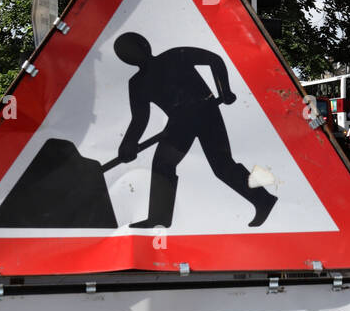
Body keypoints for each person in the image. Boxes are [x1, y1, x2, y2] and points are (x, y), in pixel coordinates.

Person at [113, 31, 277, 228]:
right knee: (162, 165)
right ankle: (159, 217)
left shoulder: (175, 55)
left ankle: (263, 199)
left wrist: (224, 90)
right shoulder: (137, 83)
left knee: (222, 165)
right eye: (126, 53)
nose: (132, 55)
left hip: (205, 112)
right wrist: (128, 143)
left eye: (133, 49)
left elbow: (214, 60)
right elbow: (140, 118)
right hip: (178, 124)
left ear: (144, 45)